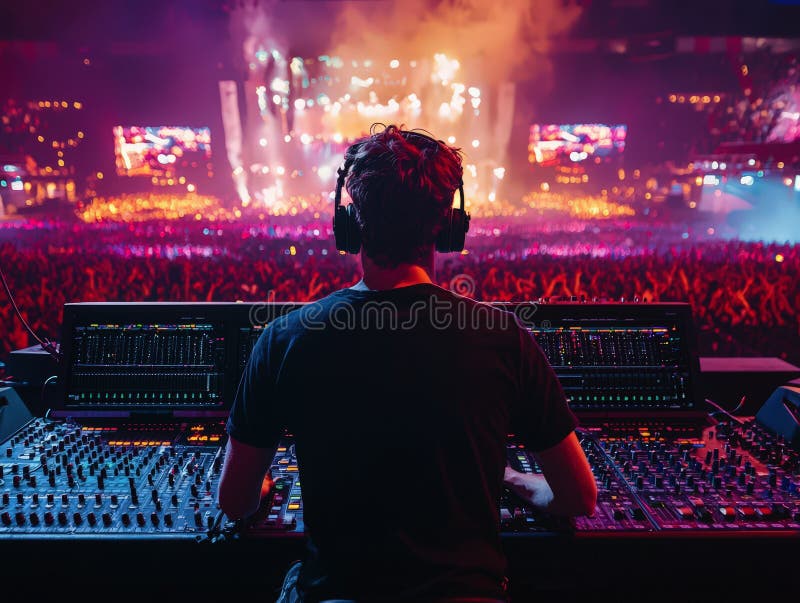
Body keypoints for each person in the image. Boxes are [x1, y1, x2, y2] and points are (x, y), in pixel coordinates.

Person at [217, 124, 597, 602]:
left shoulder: (284, 339)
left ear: (350, 225)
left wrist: (264, 485)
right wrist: (516, 478)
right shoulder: (504, 338)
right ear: (449, 224)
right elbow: (579, 498)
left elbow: (234, 503)